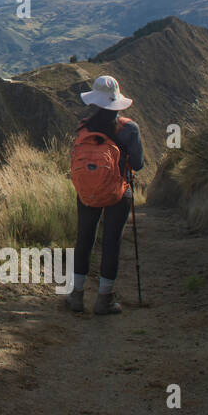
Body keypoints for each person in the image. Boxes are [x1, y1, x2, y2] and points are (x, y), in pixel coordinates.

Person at [66, 75, 143, 315]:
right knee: (112, 242)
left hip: (87, 191)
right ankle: (104, 300)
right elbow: (139, 164)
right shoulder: (129, 128)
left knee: (84, 239)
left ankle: (76, 296)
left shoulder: (84, 127)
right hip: (118, 193)